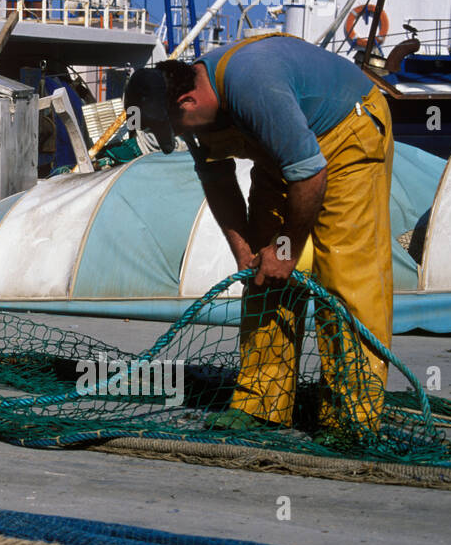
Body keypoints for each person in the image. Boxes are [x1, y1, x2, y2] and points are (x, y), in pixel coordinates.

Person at [125, 33, 394, 436]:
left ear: (187, 102)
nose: (180, 137)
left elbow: (310, 173)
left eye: (175, 128)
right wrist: (245, 251)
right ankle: (261, 403)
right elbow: (216, 178)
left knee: (346, 274)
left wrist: (285, 249)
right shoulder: (189, 105)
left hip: (345, 135)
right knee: (263, 278)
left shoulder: (253, 85)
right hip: (283, 154)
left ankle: (353, 415)